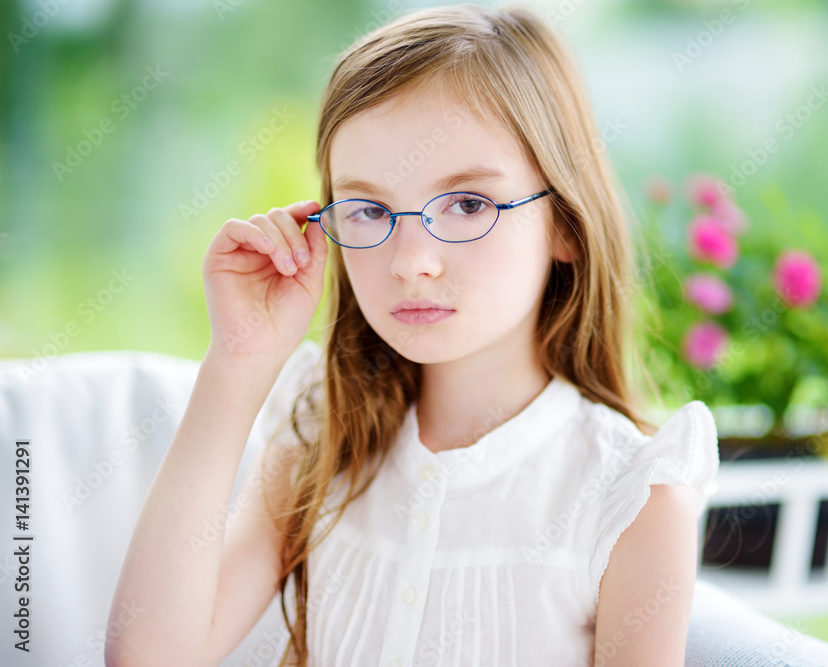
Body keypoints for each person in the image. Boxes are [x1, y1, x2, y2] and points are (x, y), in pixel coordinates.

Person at [107, 4, 719, 666]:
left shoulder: (629, 497)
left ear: (566, 224)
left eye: (468, 204)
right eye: (369, 209)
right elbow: (147, 655)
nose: (410, 261)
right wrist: (237, 362)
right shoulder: (322, 436)